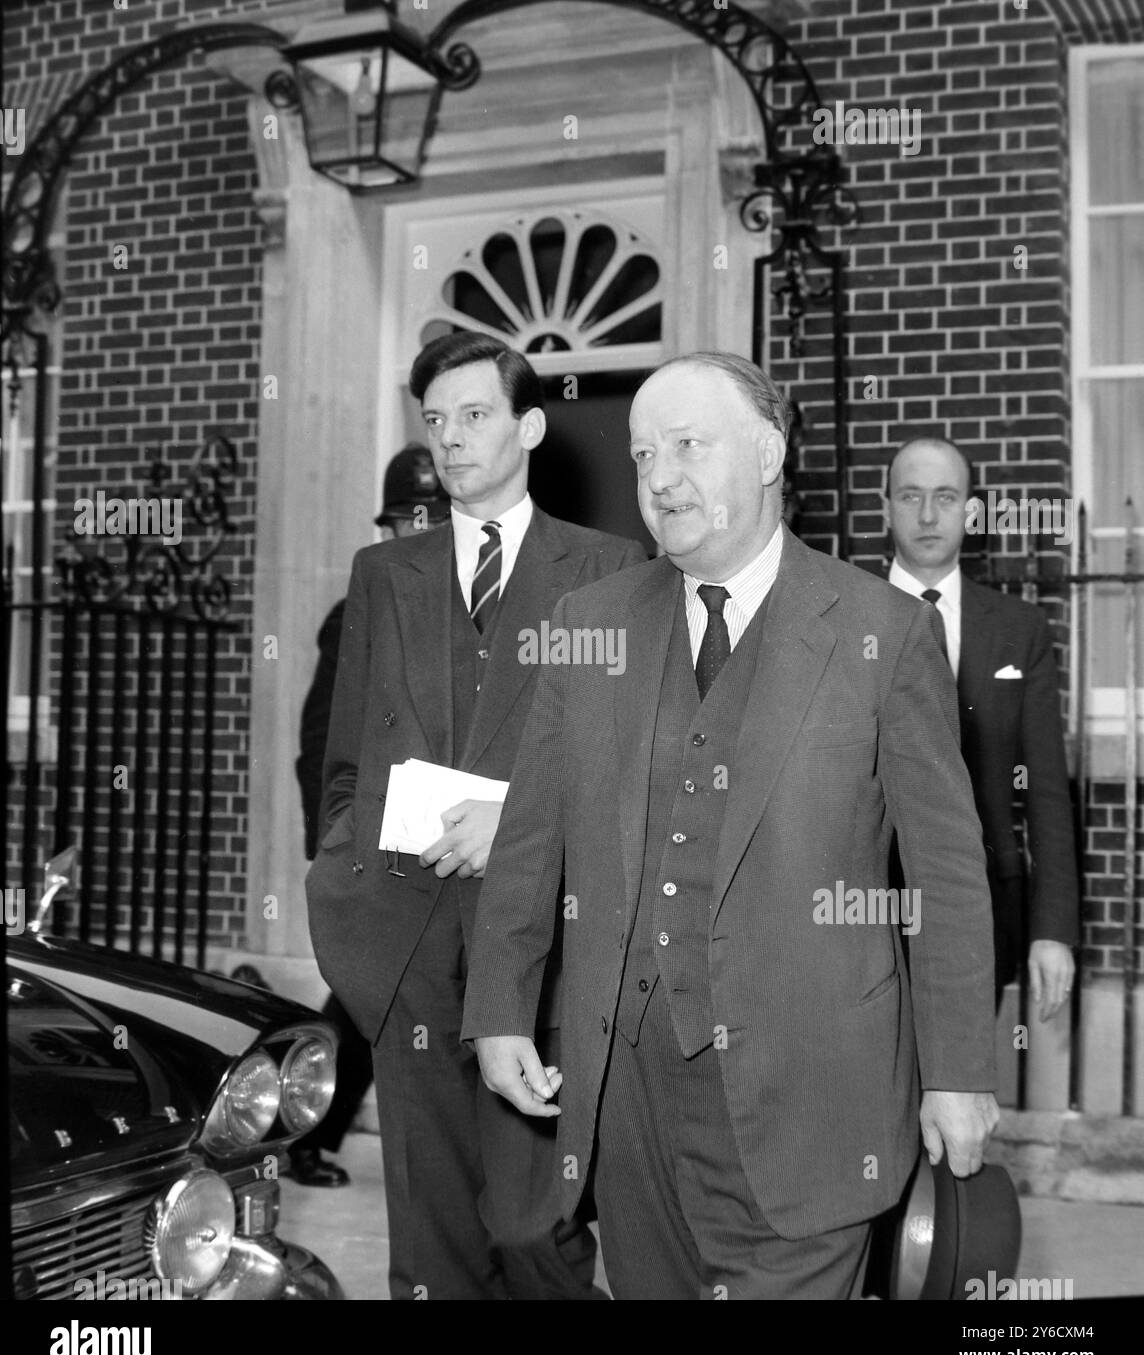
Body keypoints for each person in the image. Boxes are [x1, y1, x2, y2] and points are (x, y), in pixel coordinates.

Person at [463, 351, 1000, 1300]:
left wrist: (957, 1072)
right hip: (626, 1106)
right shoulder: (588, 625)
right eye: (641, 454)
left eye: (686, 446)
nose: (659, 477)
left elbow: (947, 873)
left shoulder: (883, 633)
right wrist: (501, 1004)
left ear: (766, 454)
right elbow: (530, 839)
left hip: (814, 1097)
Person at [305, 331, 646, 1299]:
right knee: (431, 1241)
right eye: (436, 420)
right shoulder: (386, 574)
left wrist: (517, 821)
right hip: (405, 942)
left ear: (530, 426)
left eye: (475, 414)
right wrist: (344, 887)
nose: (451, 439)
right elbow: (342, 762)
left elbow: (628, 769)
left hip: (541, 949)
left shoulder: (610, 571)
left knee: (535, 1228)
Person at [289, 446, 449, 1187]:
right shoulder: (357, 610)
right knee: (360, 989)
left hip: (457, 839)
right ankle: (301, 1128)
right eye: (405, 522)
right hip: (379, 843)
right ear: (385, 530)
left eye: (432, 518)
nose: (417, 532)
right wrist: (336, 845)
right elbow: (323, 738)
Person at [886, 437, 1078, 1017]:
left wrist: (1054, 929)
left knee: (961, 1096)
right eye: (910, 496)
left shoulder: (1019, 629)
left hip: (985, 905)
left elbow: (1045, 789)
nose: (926, 515)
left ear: (971, 509)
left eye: (945, 497)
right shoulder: (841, 616)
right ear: (886, 506)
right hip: (862, 912)